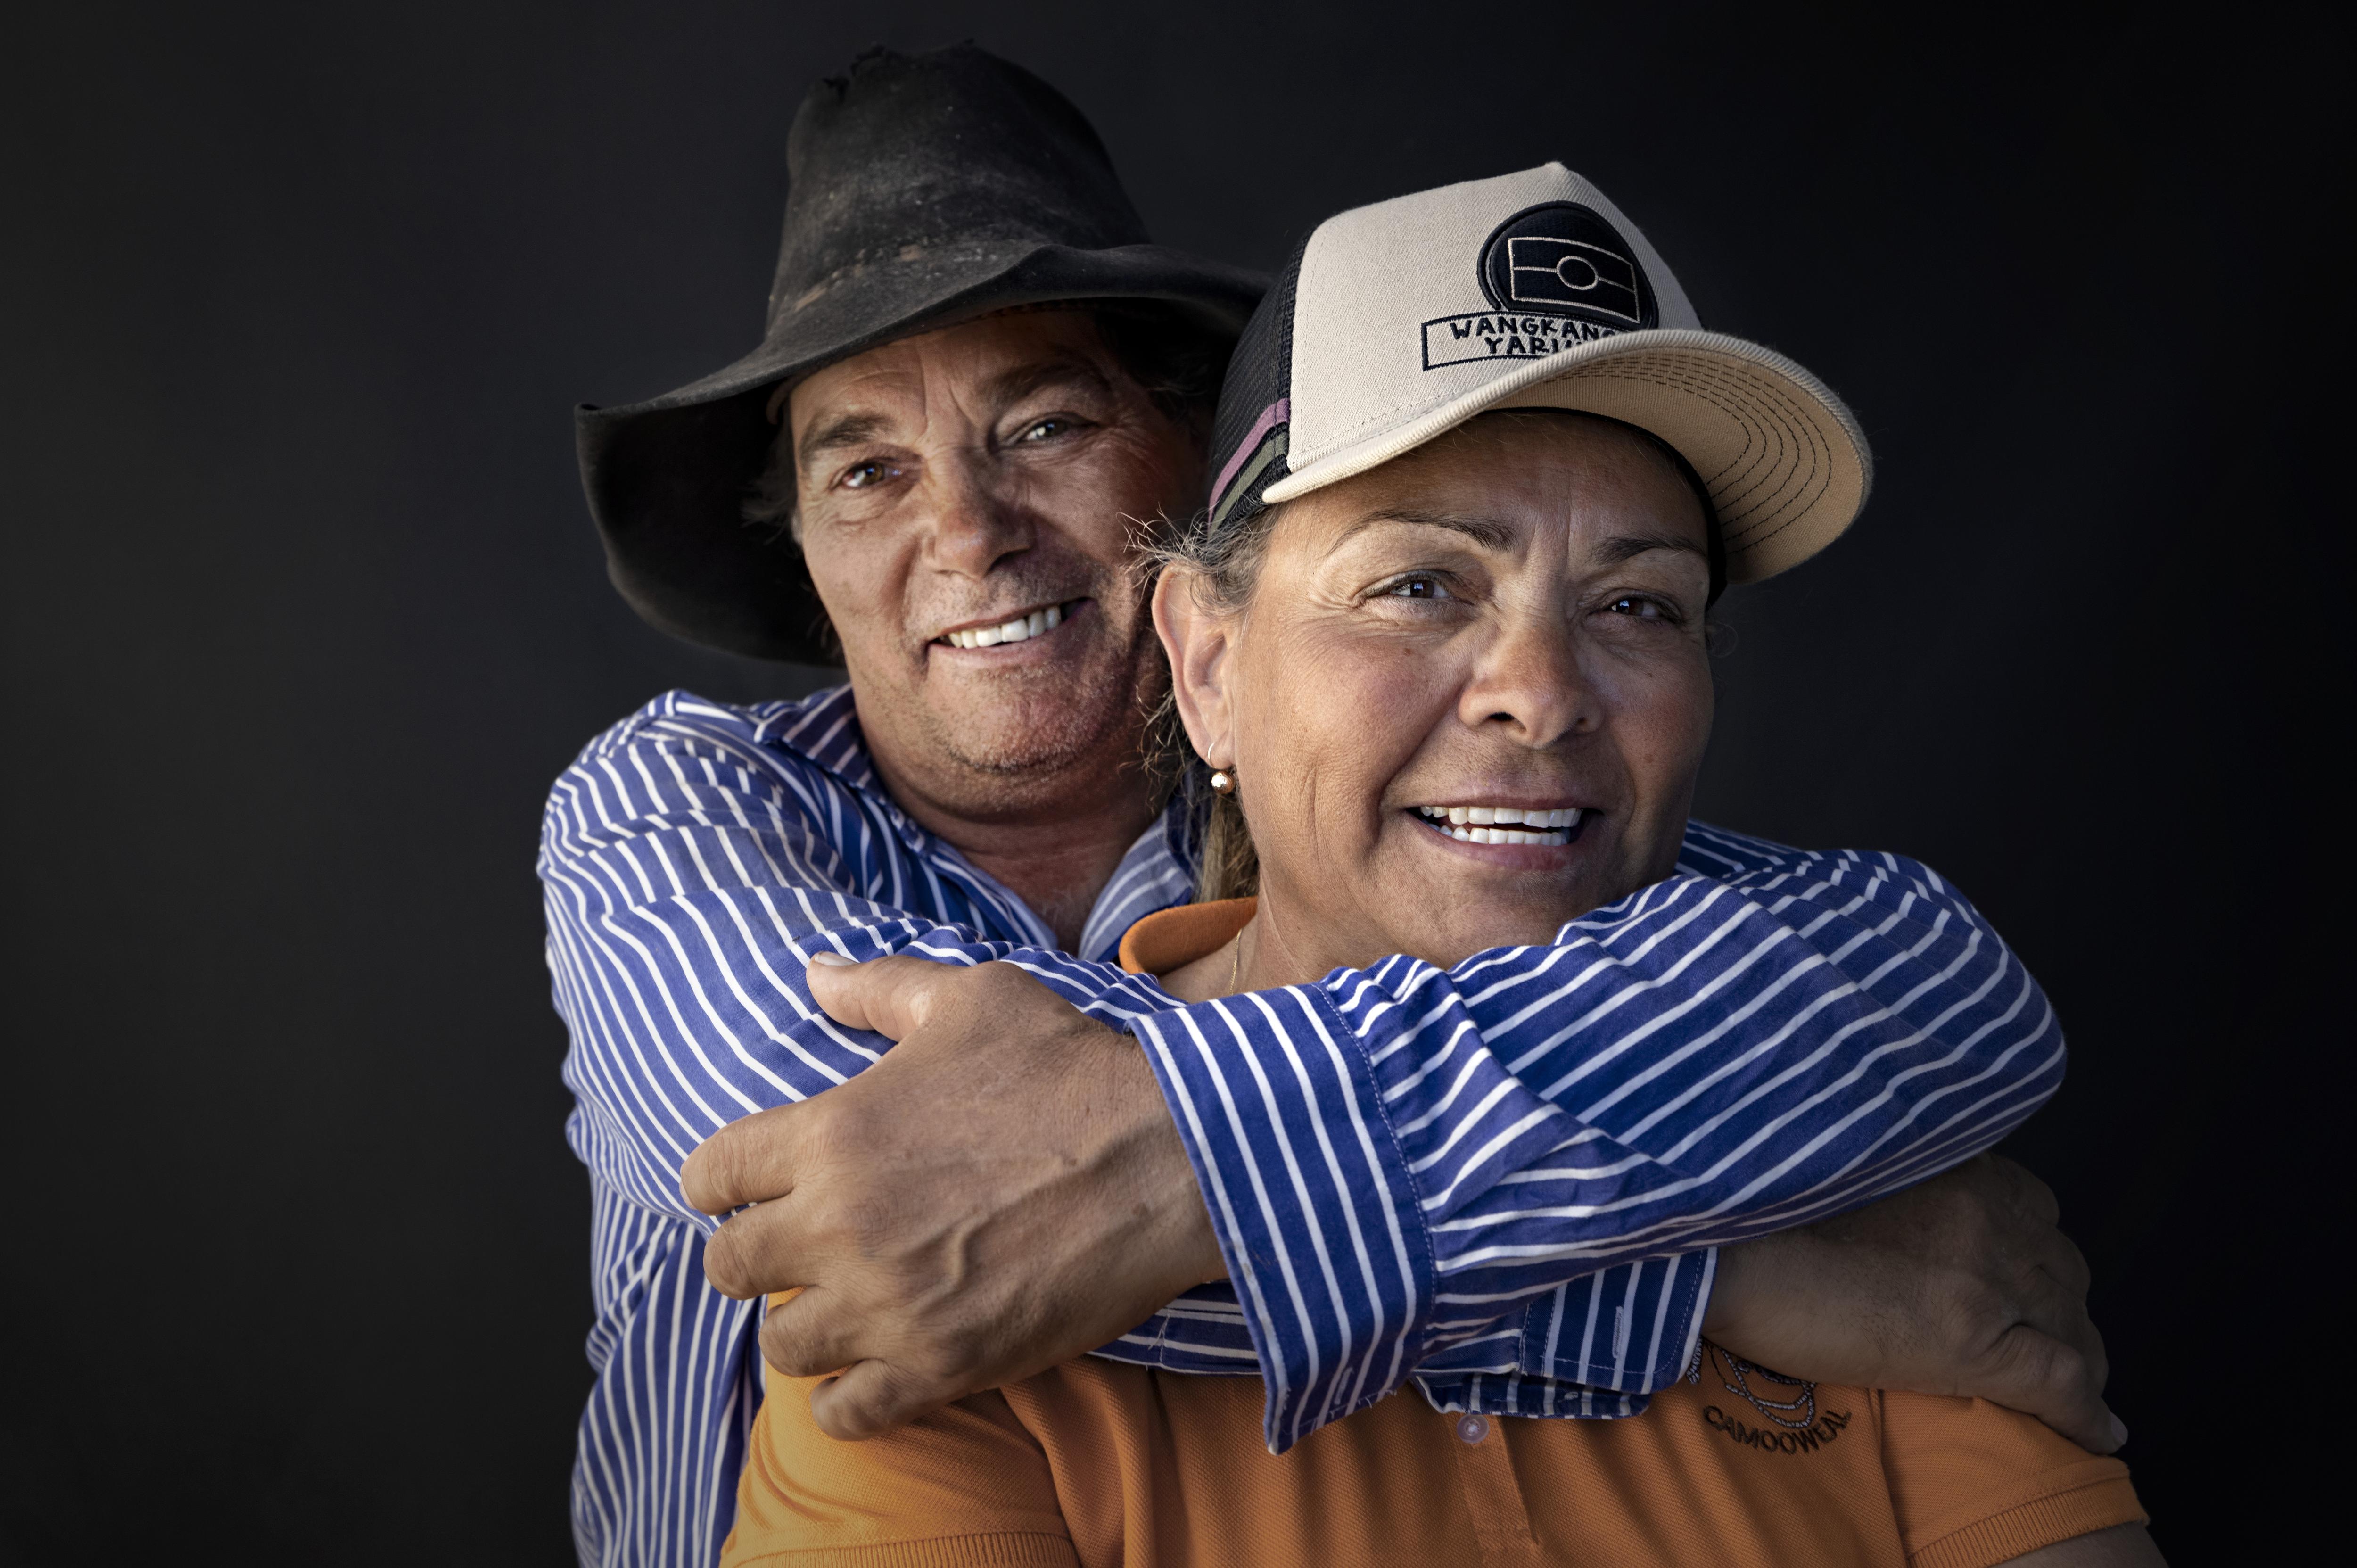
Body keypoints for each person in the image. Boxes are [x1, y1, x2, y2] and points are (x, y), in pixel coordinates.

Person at [551, 48, 2113, 1566]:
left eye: (1045, 428)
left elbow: (1904, 979)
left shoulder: (1401, 817)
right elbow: (929, 1230)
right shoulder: (678, 814)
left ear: (1185, 479)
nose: (970, 533)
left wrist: (1204, 1174)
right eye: (866, 473)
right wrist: (1720, 1269)